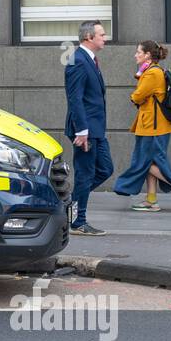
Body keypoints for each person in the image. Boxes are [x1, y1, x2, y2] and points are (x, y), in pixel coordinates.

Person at [113, 40, 171, 211]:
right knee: (149, 162)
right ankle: (151, 200)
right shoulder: (151, 72)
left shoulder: (152, 74)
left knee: (145, 163)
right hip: (152, 126)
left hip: (153, 127)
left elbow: (137, 96)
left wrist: (137, 87)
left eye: (138, 52)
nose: (135, 55)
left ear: (147, 55)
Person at [64, 20, 114, 235]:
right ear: (89, 38)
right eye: (101, 35)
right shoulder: (77, 60)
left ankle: (71, 204)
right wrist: (81, 130)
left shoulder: (90, 59)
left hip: (96, 129)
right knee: (85, 175)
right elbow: (75, 99)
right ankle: (77, 221)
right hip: (85, 131)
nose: (105, 38)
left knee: (105, 169)